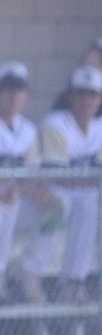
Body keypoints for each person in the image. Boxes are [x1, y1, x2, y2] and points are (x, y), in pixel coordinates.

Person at [33, 65, 102, 303]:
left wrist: (87, 179)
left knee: (89, 200)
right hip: (37, 199)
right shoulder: (55, 123)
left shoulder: (99, 128)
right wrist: (90, 177)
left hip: (80, 196)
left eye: (93, 95)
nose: (87, 100)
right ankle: (29, 269)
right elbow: (58, 176)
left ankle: (73, 283)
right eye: (81, 94)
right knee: (60, 200)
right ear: (70, 96)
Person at [0, 62, 46, 303]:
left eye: (18, 91)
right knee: (7, 196)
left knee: (58, 207)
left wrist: (42, 193)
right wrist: (20, 187)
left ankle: (29, 266)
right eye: (6, 90)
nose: (13, 97)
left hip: (17, 198)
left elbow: (34, 174)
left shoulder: (27, 129)